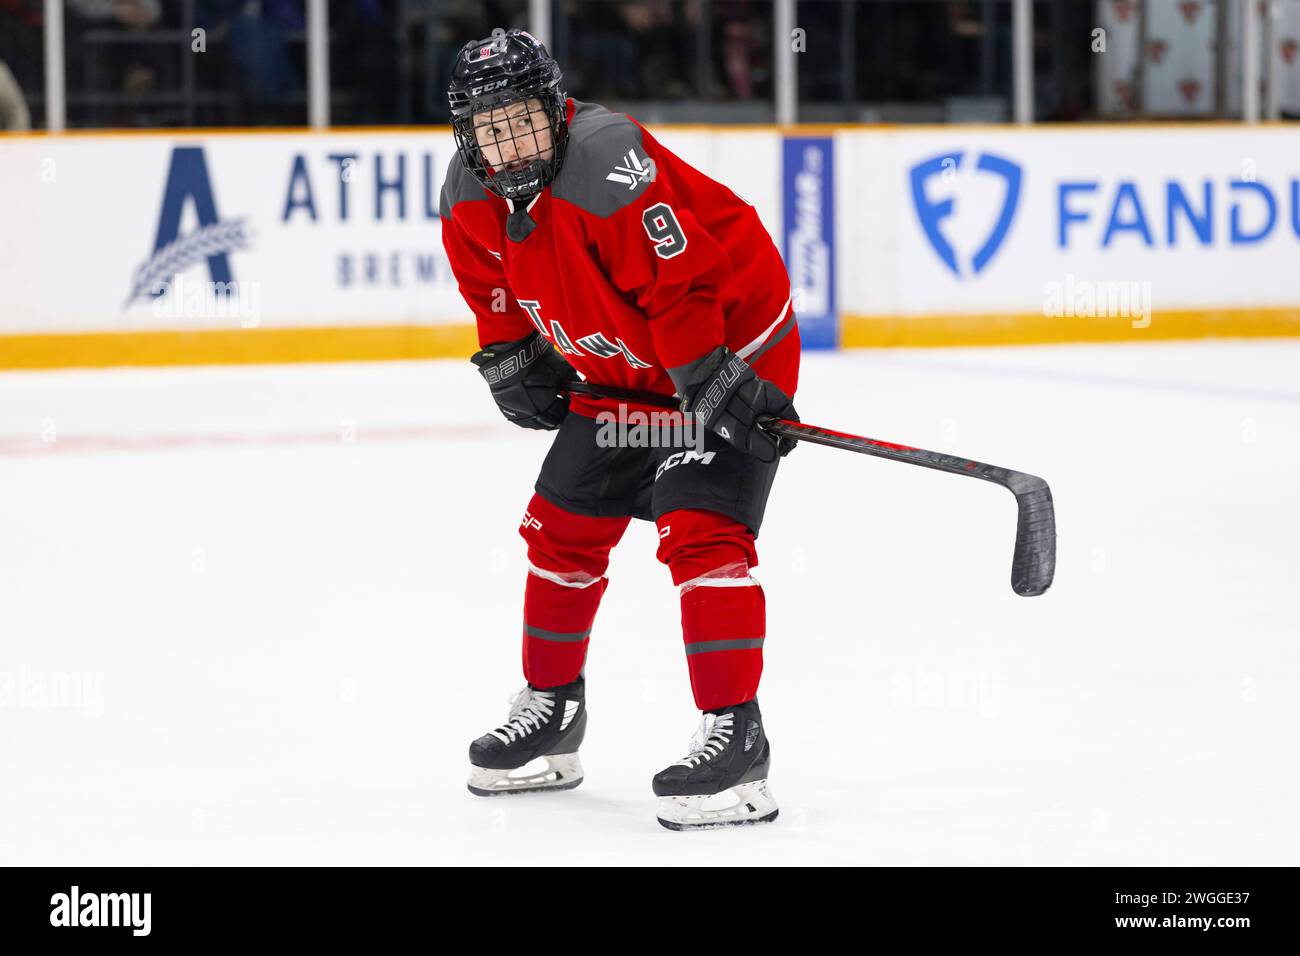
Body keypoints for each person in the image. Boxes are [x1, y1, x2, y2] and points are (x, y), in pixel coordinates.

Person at [440, 29, 799, 830]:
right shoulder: (467, 191)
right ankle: (552, 714)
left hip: (726, 348)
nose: (510, 141)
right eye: (490, 127)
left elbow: (681, 286)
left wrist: (711, 378)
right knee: (562, 529)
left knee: (702, 531)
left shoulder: (607, 160)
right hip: (620, 375)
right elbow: (489, 289)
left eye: (524, 119)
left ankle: (737, 737)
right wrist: (508, 357)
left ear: (556, 108)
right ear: (468, 133)